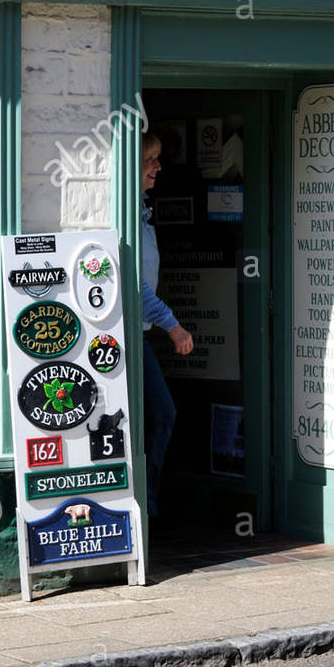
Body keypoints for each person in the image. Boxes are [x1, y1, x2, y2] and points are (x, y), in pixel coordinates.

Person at [141, 132, 193, 518]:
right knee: (161, 413)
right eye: (150, 159)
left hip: (138, 335)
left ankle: (146, 501)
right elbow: (133, 286)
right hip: (127, 338)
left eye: (159, 158)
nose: (157, 166)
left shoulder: (141, 211)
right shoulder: (128, 214)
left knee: (157, 415)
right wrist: (173, 325)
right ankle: (146, 504)